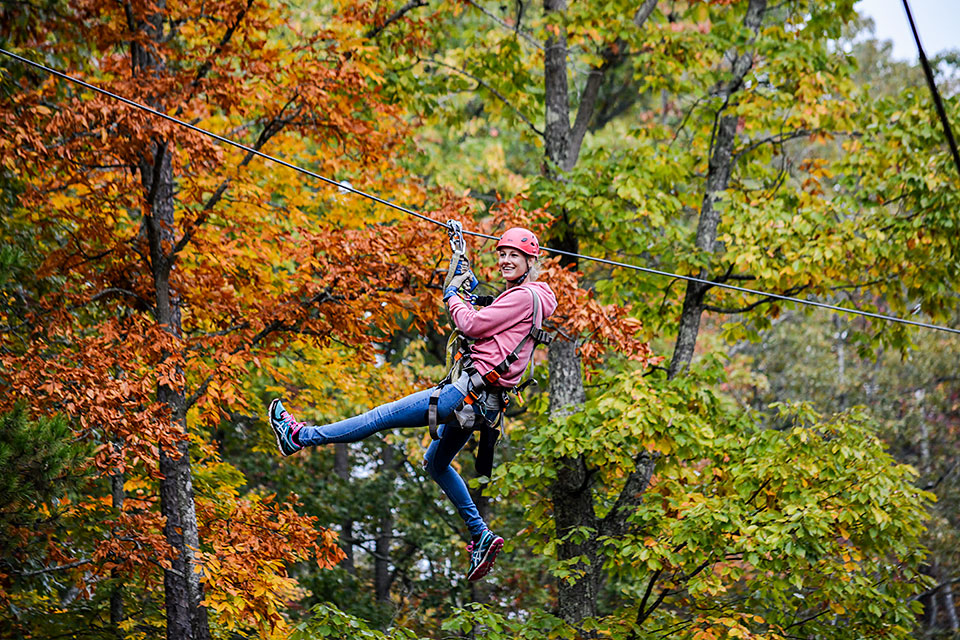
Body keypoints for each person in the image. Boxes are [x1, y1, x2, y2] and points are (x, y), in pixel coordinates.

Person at [268, 227, 557, 581]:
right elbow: (492, 319)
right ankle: (480, 533)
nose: (505, 261)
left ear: (531, 261)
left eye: (515, 255)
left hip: (463, 394)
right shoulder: (532, 299)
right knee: (436, 463)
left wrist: (453, 295)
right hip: (483, 406)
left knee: (380, 416)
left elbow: (471, 324)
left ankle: (299, 436)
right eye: (502, 254)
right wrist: (464, 266)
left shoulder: (522, 297)